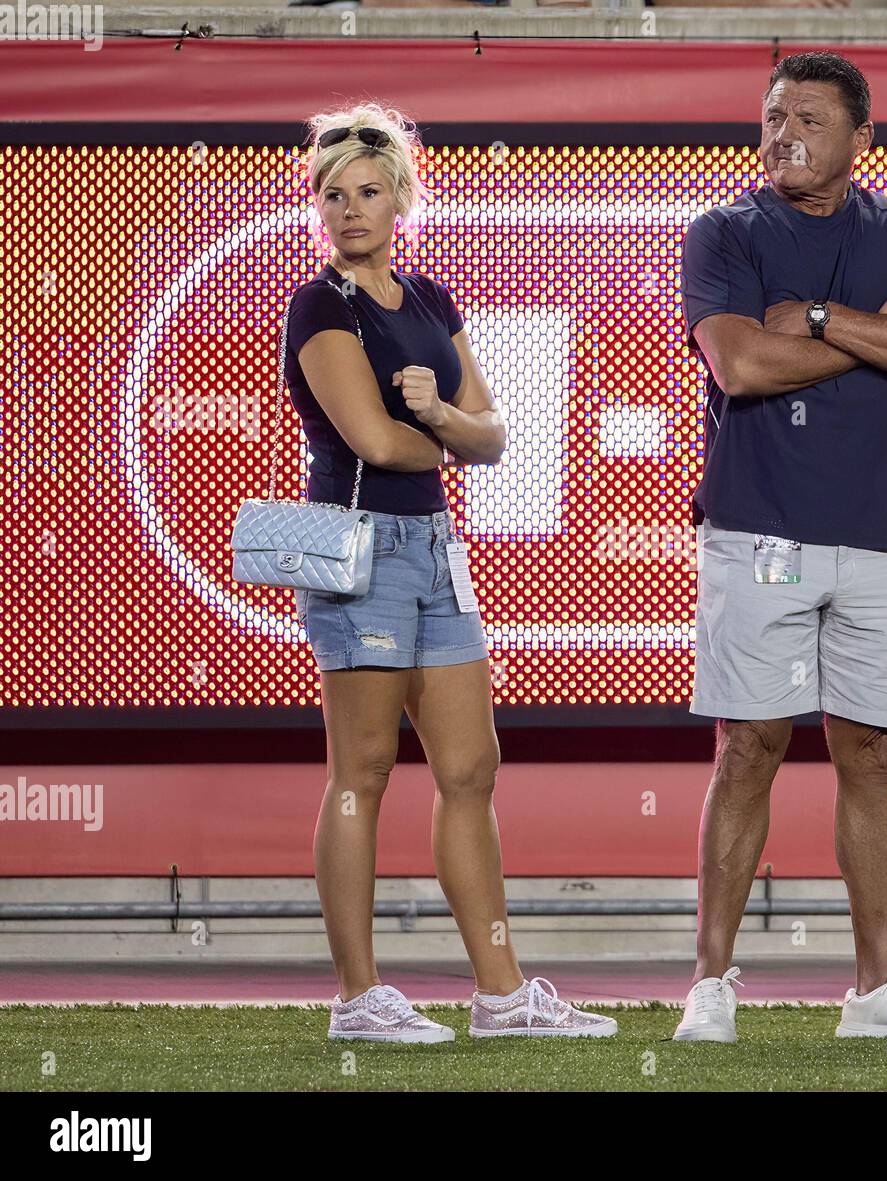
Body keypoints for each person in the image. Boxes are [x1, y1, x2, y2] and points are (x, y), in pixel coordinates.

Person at [675, 53, 887, 1042]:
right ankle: (710, 985)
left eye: (809, 118)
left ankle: (876, 990)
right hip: (759, 532)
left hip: (885, 536)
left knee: (875, 755)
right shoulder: (723, 230)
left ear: (863, 139)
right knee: (749, 747)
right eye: (774, 115)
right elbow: (741, 364)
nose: (784, 134)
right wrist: (875, 332)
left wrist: (814, 319)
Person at [286, 101, 615, 1041]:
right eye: (333, 196)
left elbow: (497, 434)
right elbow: (376, 441)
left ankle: (502, 996)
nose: (349, 210)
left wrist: (448, 423)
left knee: (471, 767)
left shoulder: (429, 300)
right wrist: (448, 434)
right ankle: (358, 998)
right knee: (363, 769)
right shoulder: (320, 304)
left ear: (400, 200)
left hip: (435, 546)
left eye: (367, 192)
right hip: (359, 546)